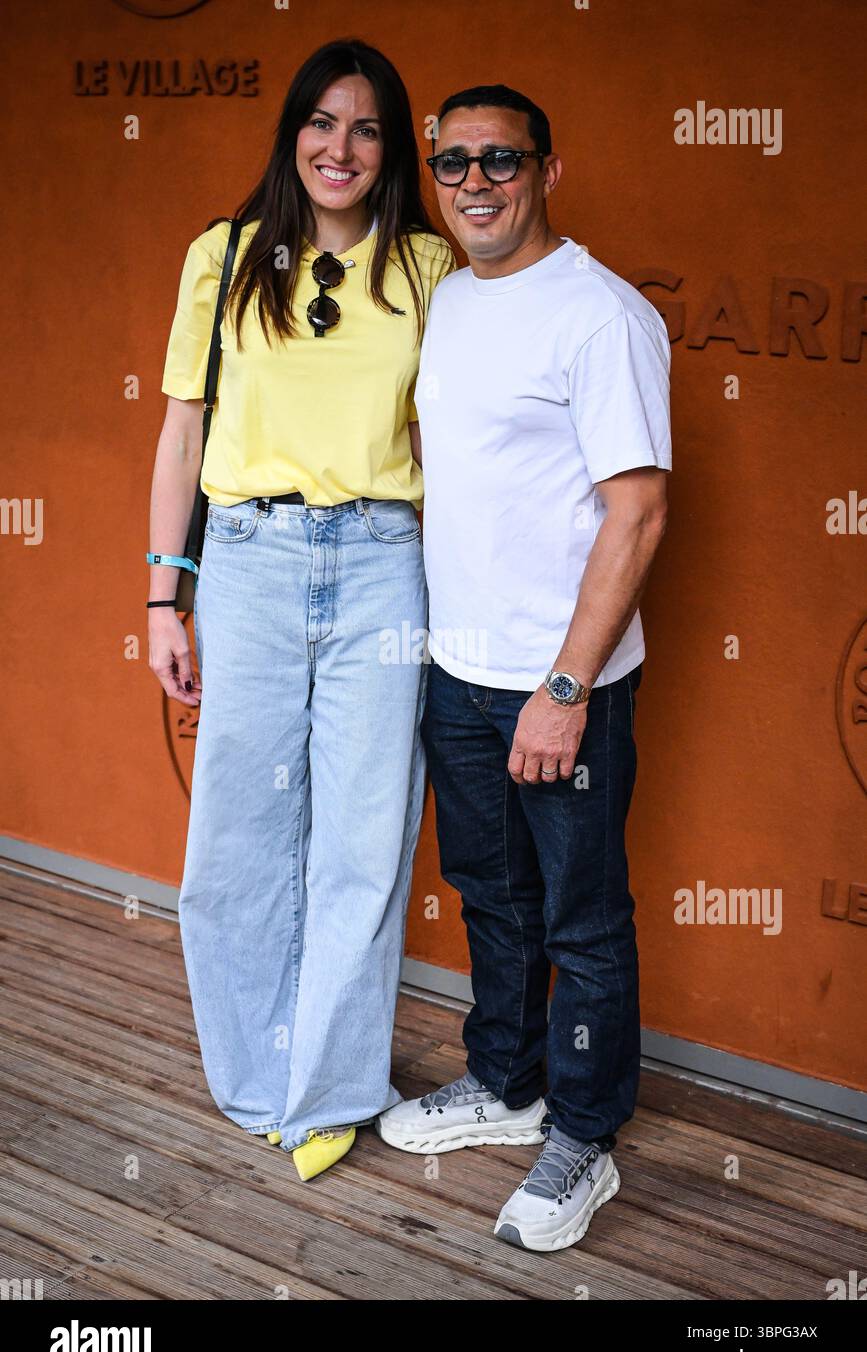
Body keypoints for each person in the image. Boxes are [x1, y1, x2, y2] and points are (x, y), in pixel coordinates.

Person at [146, 38, 455, 1182]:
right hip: (249, 558)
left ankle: (327, 1090)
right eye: (323, 123)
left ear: (390, 148)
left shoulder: (428, 269)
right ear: (291, 133)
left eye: (368, 128)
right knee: (235, 834)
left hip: (382, 561)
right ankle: (253, 1076)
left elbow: (460, 437)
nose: (342, 147)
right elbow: (181, 435)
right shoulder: (222, 257)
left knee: (365, 838)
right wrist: (160, 595)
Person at [376, 84, 671, 1251]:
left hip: (563, 686)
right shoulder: (450, 298)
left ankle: (584, 1137)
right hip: (458, 670)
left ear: (549, 168)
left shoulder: (599, 315)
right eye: (452, 163)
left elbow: (638, 514)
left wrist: (564, 688)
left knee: (582, 920)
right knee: (492, 895)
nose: (475, 183)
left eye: (502, 159)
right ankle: (506, 1084)